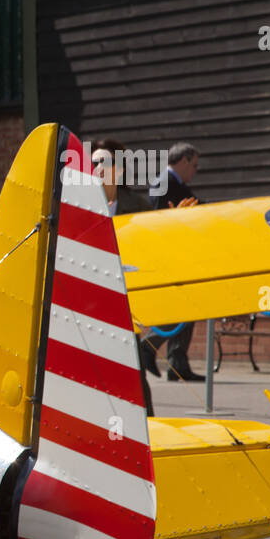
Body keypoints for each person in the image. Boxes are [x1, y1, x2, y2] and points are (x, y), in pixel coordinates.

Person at [92, 139, 154, 416]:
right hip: (89, 300)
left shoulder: (139, 206)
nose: (97, 168)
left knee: (134, 373)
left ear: (119, 170)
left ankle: (147, 426)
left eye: (104, 162)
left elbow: (150, 248)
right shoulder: (74, 206)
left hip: (127, 299)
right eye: (93, 163)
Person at [146, 142, 204, 381]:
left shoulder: (175, 184)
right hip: (171, 257)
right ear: (184, 161)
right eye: (195, 165)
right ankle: (147, 346)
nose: (196, 171)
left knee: (187, 308)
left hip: (180, 255)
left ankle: (178, 365)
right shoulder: (164, 183)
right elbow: (158, 220)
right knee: (186, 308)